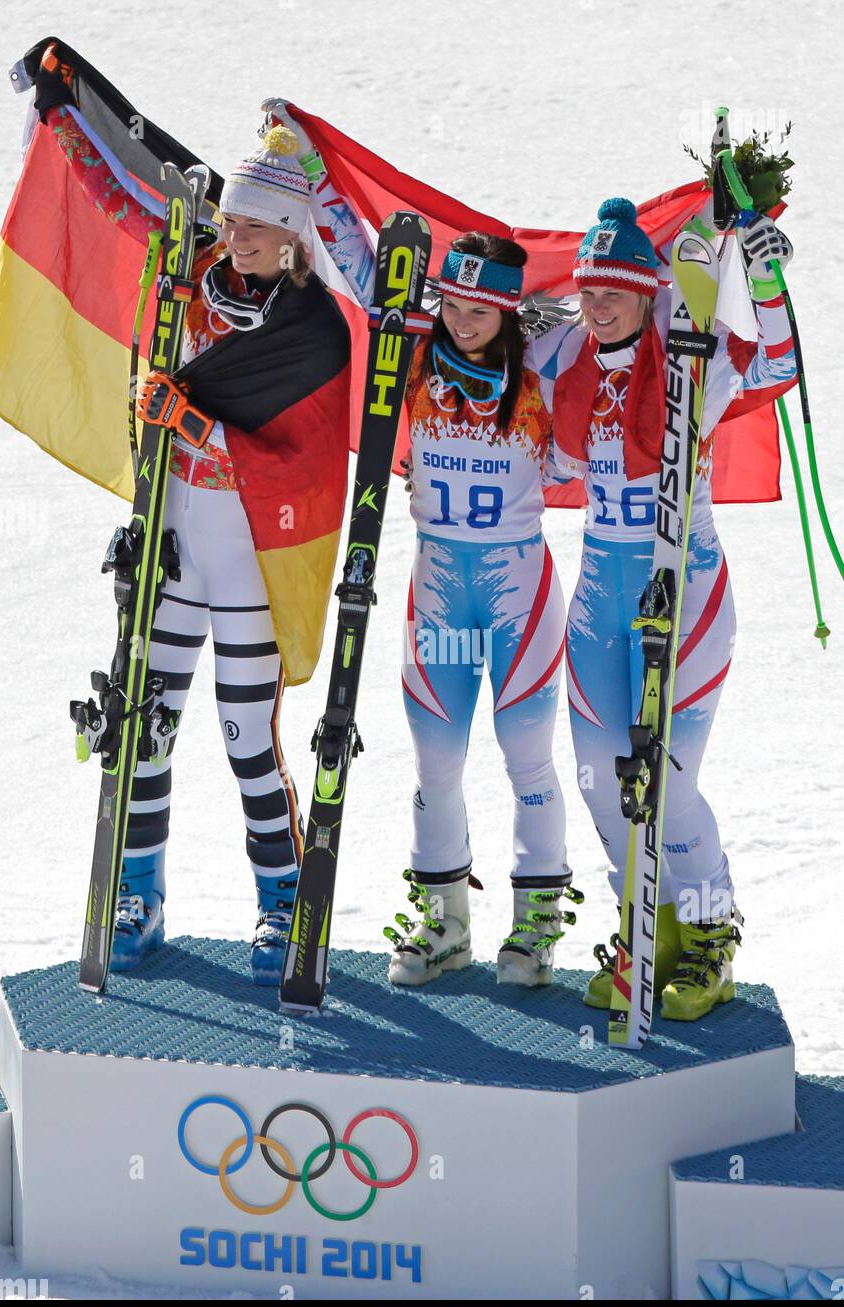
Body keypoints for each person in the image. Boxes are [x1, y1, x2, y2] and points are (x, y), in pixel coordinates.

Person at [261, 101, 581, 987]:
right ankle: (444, 923)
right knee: (436, 757)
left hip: (518, 588)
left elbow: (625, 305)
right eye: (453, 302)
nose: (463, 319)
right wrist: (309, 163)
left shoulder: (544, 358)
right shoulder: (412, 344)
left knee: (526, 755)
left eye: (481, 308)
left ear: (508, 310)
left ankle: (538, 925)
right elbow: (360, 258)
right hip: (439, 581)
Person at [44, 102, 352, 983]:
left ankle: (282, 906)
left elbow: (305, 460)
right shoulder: (192, 271)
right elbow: (132, 202)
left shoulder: (313, 327)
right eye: (235, 220)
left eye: (259, 225)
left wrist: (195, 423)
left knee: (248, 736)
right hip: (177, 542)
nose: (240, 235)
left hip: (251, 555)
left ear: (295, 235)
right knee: (146, 725)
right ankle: (138, 893)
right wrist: (70, 125)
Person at [532, 197, 797, 1020]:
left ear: (649, 293)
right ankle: (646, 931)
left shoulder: (694, 358)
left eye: (614, 290)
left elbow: (780, 367)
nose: (598, 304)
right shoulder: (565, 355)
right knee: (599, 781)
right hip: (600, 600)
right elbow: (474, 328)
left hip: (687, 596)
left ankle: (712, 937)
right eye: (589, 292)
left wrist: (765, 278)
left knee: (670, 787)